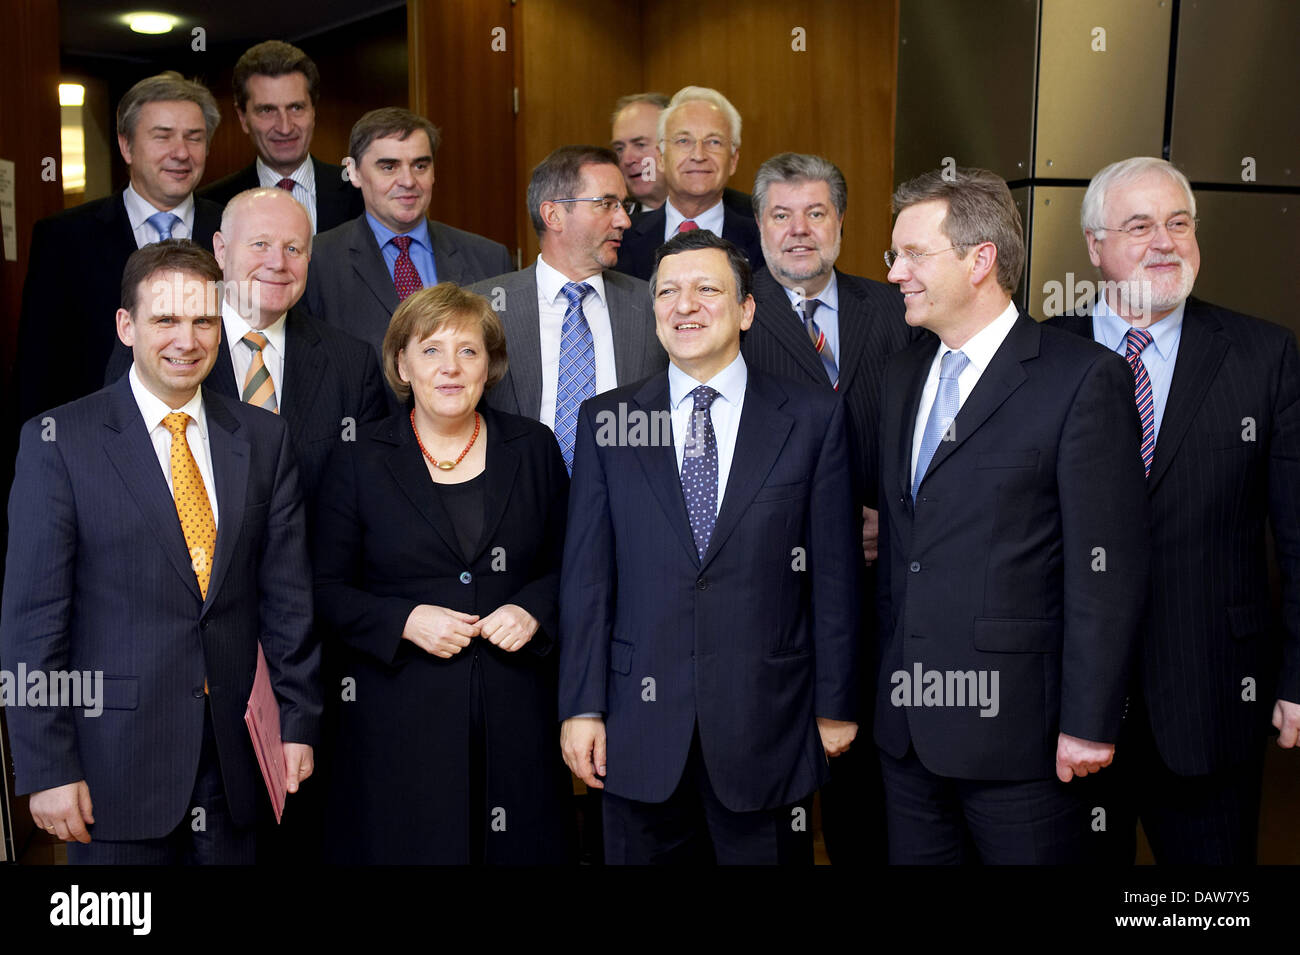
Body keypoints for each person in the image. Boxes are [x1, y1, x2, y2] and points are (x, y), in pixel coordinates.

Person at [0, 240, 320, 863]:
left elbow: (288, 600)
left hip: (238, 766)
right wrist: (45, 766)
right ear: (127, 326)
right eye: (165, 320)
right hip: (111, 770)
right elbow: (32, 624)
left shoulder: (261, 438)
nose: (188, 339)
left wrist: (299, 724)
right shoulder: (60, 442)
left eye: (203, 320)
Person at [874, 167, 1150, 864]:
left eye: (912, 254)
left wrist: (1088, 724)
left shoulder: (1081, 378)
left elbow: (1106, 569)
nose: (896, 273)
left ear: (980, 258)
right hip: (906, 737)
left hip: (1023, 742)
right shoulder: (902, 375)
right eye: (893, 256)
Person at [559, 230, 860, 864]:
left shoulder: (812, 417)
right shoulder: (606, 420)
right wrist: (581, 706)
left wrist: (836, 706)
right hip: (636, 730)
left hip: (768, 729)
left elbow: (835, 577)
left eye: (707, 289)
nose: (684, 304)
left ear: (747, 310)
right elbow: (588, 577)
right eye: (667, 291)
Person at [1049, 156, 1300, 864]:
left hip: (1213, 698)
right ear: (1096, 247)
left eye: (1179, 223)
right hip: (1066, 707)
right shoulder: (1039, 353)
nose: (1166, 241)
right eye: (1140, 225)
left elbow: (1298, 530)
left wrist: (1298, 678)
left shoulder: (1263, 354)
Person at [312, 283, 572, 864]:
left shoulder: (533, 448)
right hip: (395, 726)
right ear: (401, 363)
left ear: (492, 364)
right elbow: (322, 591)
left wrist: (533, 607)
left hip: (517, 720)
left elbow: (571, 565)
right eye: (430, 351)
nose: (449, 369)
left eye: (468, 351)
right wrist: (403, 619)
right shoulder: (357, 458)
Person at [741, 152, 916, 863]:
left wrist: (894, 522)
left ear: (842, 221)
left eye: (816, 213)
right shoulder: (732, 309)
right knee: (771, 789)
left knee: (867, 789)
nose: (799, 230)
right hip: (770, 588)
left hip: (884, 587)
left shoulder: (899, 307)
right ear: (757, 225)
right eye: (781, 215)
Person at [16, 72, 224, 422]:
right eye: (163, 136)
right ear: (126, 145)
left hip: (210, 438)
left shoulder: (234, 232)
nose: (181, 152)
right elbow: (36, 369)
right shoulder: (64, 238)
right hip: (93, 444)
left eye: (195, 138)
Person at [469, 145, 666, 471]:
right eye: (607, 204)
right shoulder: (483, 307)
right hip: (518, 504)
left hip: (624, 504)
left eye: (624, 205)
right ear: (554, 215)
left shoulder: (652, 305)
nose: (624, 220)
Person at [199, 187, 386, 504]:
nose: (277, 263)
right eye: (260, 244)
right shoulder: (171, 347)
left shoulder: (352, 365)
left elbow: (367, 497)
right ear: (220, 249)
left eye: (293, 249)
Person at [301, 107, 513, 387]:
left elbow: (502, 367)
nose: (408, 181)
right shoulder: (317, 260)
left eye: (420, 166)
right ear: (353, 172)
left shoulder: (488, 259)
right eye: (389, 167)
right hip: (362, 428)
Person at [199, 40, 363, 234]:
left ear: (313, 111)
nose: (285, 128)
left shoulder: (361, 193)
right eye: (267, 110)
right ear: (243, 118)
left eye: (296, 108)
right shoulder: (212, 206)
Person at [614, 87, 763, 281]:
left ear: (733, 160)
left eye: (714, 142)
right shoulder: (620, 238)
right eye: (683, 141)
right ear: (660, 157)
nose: (698, 155)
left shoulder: (764, 239)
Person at [609, 93, 753, 219]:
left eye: (640, 144)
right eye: (620, 149)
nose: (627, 160)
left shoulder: (755, 217)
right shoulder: (615, 222)